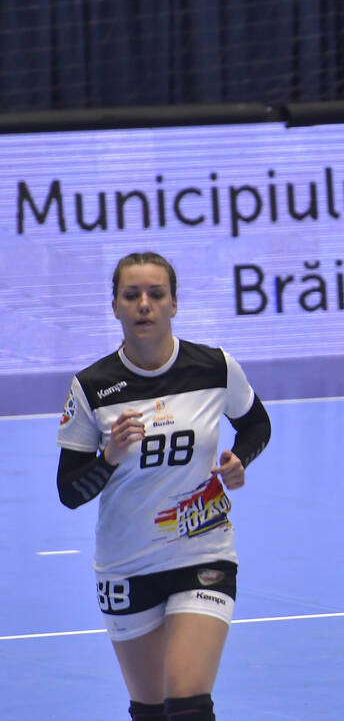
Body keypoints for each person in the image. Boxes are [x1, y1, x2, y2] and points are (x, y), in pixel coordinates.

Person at [56, 252, 271, 721]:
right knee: (150, 710)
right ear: (115, 305)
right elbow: (69, 492)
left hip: (203, 552)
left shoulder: (214, 367)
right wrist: (109, 457)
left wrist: (239, 460)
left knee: (188, 702)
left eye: (156, 294)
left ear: (174, 303)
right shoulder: (92, 387)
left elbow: (256, 424)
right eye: (131, 295)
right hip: (126, 565)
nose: (144, 304)